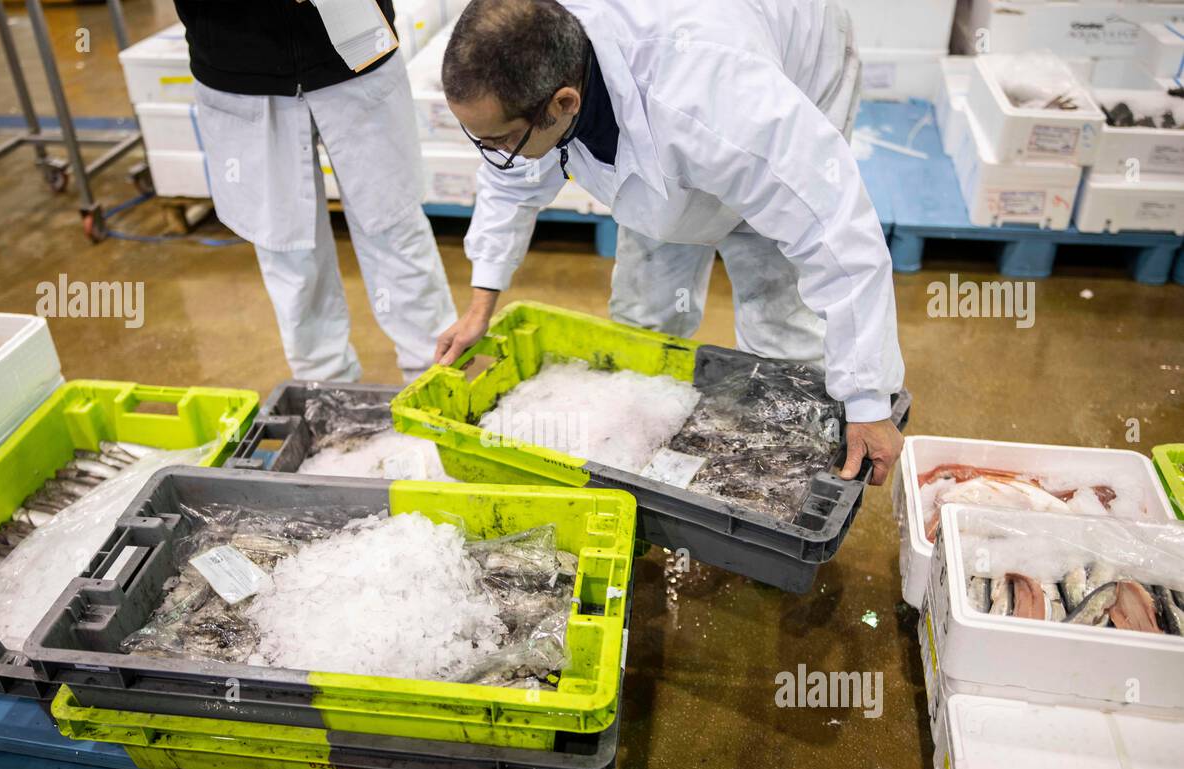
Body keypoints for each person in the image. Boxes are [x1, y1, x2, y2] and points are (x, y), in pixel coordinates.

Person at [433, 0, 906, 484]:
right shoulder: (537, 52)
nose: (493, 152)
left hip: (794, 53)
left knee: (777, 315)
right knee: (646, 308)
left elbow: (832, 228)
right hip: (666, 102)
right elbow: (510, 179)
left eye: (500, 140)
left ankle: (788, 481)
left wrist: (868, 401)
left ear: (565, 103)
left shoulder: (719, 103)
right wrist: (480, 304)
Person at [175, 0, 456, 382]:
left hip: (358, 47)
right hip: (239, 64)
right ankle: (327, 392)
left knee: (396, 228)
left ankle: (435, 380)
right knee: (287, 250)